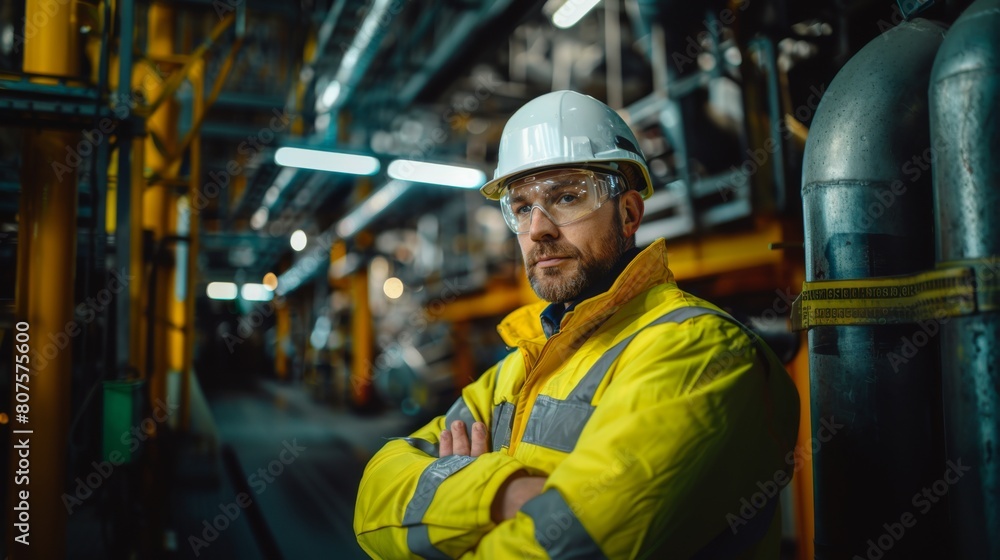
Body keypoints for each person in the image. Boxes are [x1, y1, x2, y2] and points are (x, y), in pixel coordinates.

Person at [354, 90, 800, 559]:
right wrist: (502, 494)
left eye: (567, 197)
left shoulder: (701, 351)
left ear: (629, 213)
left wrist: (457, 497)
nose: (538, 229)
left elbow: (564, 548)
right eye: (522, 206)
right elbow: (371, 502)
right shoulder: (522, 365)